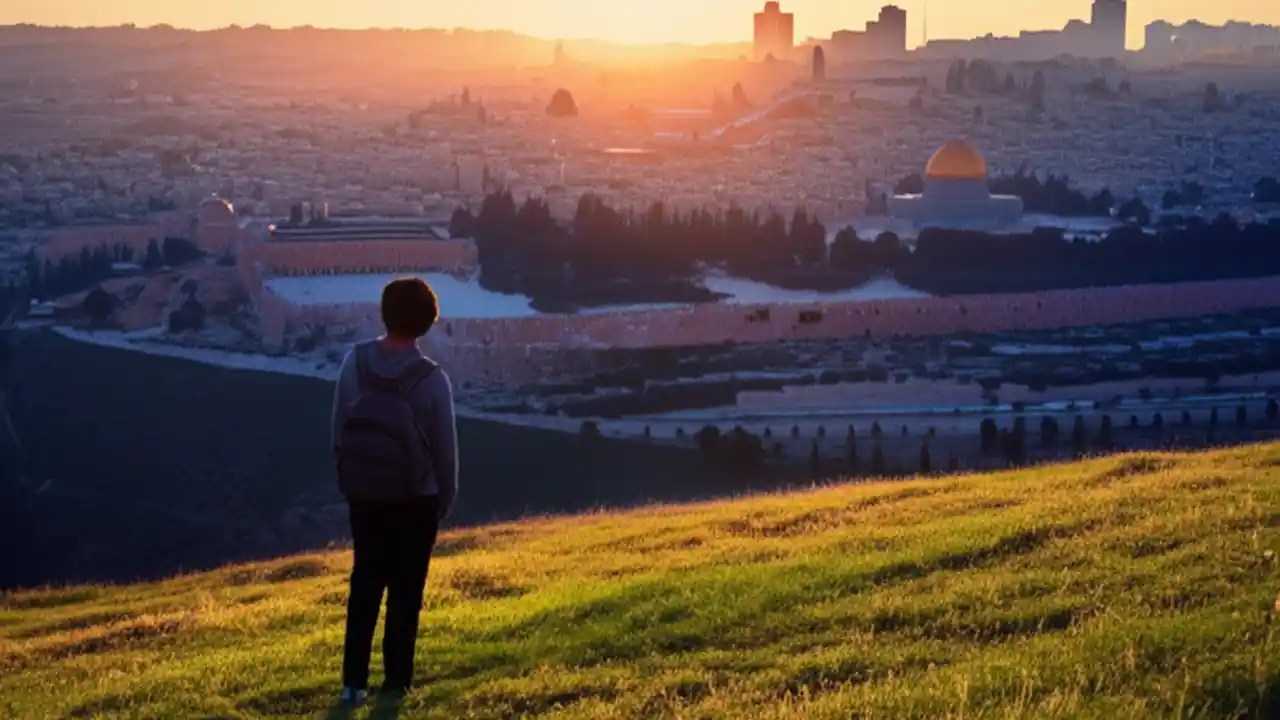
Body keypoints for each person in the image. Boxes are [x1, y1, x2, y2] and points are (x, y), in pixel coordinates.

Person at [331, 277, 458, 705]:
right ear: (427, 322)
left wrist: (348, 479)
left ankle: (352, 683)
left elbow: (338, 428)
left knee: (364, 583)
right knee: (407, 592)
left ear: (384, 312)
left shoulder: (355, 362)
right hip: (415, 499)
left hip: (365, 494)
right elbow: (445, 450)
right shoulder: (432, 380)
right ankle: (396, 683)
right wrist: (444, 498)